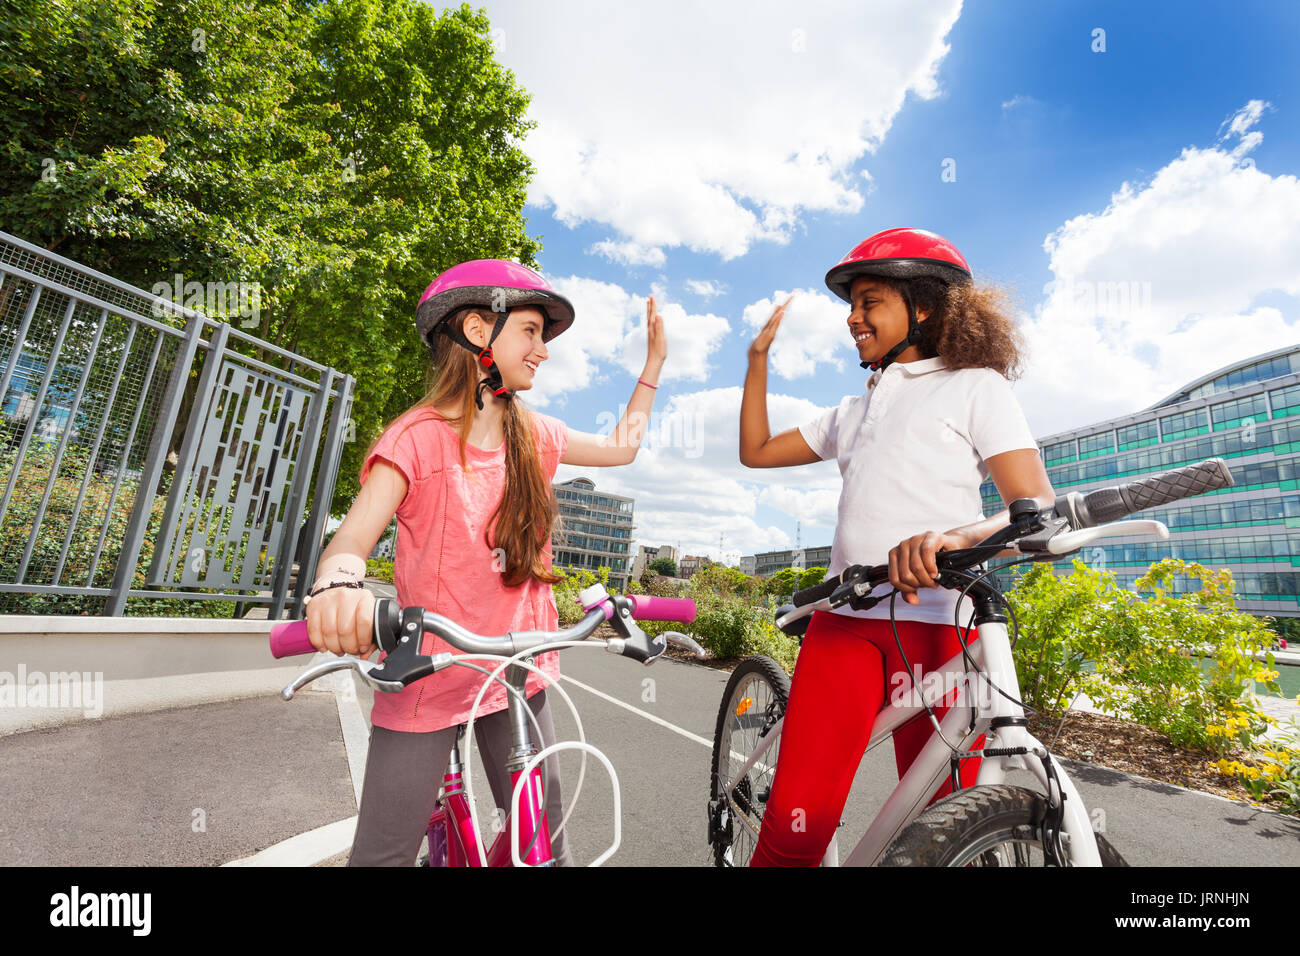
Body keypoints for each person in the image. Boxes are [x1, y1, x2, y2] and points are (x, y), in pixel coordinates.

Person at [304, 258, 667, 866]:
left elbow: (622, 448)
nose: (543, 350)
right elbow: (350, 542)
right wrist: (337, 587)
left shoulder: (536, 434)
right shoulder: (415, 437)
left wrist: (652, 366)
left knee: (545, 844)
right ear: (479, 331)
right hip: (429, 676)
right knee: (382, 855)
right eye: (530, 331)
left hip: (517, 672)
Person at [738, 227, 1055, 867]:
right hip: (846, 625)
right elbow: (756, 452)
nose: (852, 319)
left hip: (944, 629)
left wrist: (957, 535)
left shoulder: (976, 386)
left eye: (870, 301)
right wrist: (757, 363)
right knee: (797, 828)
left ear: (925, 305)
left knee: (947, 826)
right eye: (850, 306)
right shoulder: (852, 412)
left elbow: (1036, 515)